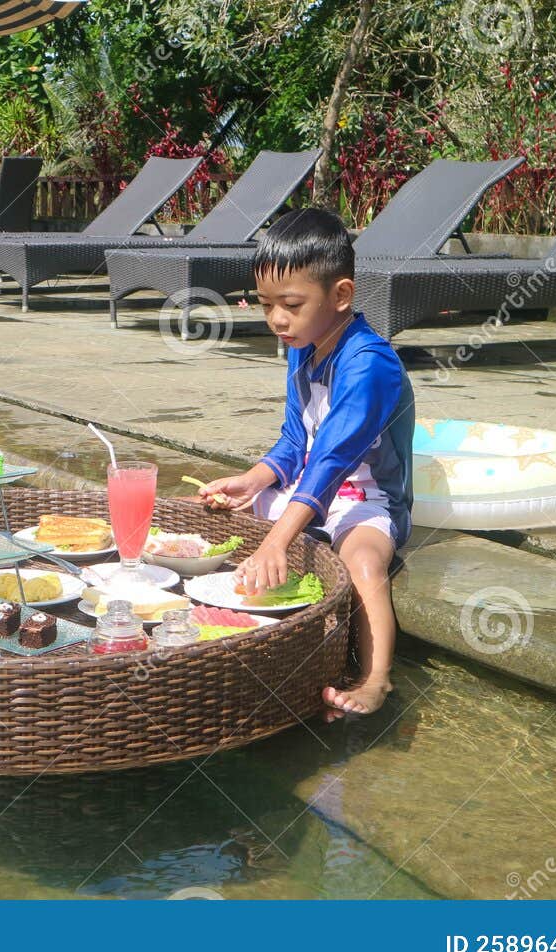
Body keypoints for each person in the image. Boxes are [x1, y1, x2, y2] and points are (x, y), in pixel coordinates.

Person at [200, 208, 414, 718]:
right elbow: (296, 440)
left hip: (367, 499)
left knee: (361, 561)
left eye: (291, 304)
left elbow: (334, 458)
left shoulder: (369, 364)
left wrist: (279, 539)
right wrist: (252, 480)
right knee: (213, 516)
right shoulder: (303, 346)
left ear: (341, 296)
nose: (276, 319)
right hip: (310, 489)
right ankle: (250, 641)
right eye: (267, 304)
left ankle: (375, 677)